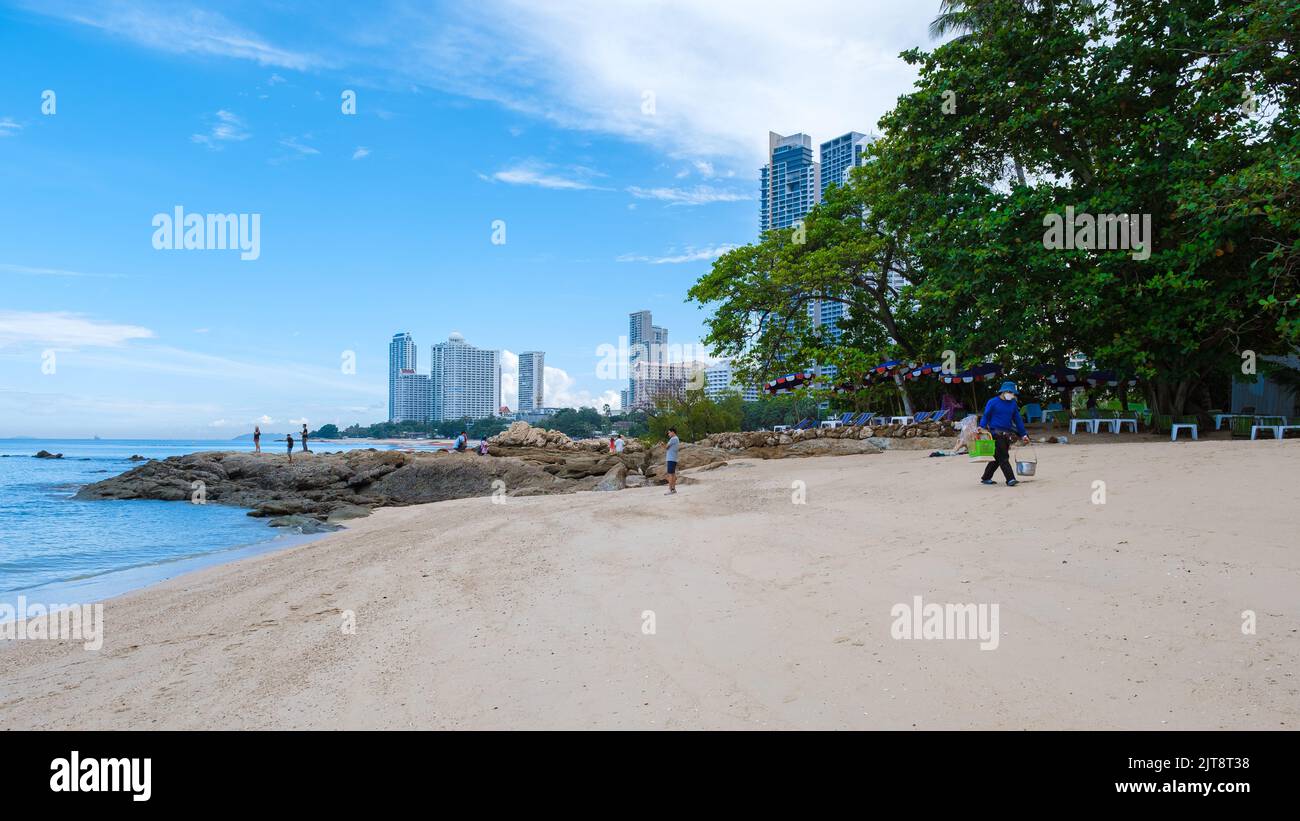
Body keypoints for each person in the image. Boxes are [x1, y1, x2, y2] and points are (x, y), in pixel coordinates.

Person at [979, 381, 1029, 486]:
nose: (1012, 395)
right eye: (1011, 392)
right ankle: (1010, 479)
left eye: (1013, 393)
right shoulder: (992, 402)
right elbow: (986, 416)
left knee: (998, 457)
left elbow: (1018, 420)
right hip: (995, 433)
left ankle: (986, 477)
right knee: (1003, 457)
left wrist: (1024, 434)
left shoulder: (1013, 404)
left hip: (1007, 434)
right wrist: (981, 427)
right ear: (1004, 391)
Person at [664, 427, 680, 495]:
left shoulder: (673, 439)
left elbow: (666, 447)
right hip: (673, 458)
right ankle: (673, 489)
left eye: (669, 432)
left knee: (670, 474)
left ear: (673, 432)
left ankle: (670, 489)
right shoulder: (676, 439)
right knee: (673, 474)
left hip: (671, 459)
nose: (668, 434)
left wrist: (662, 444)